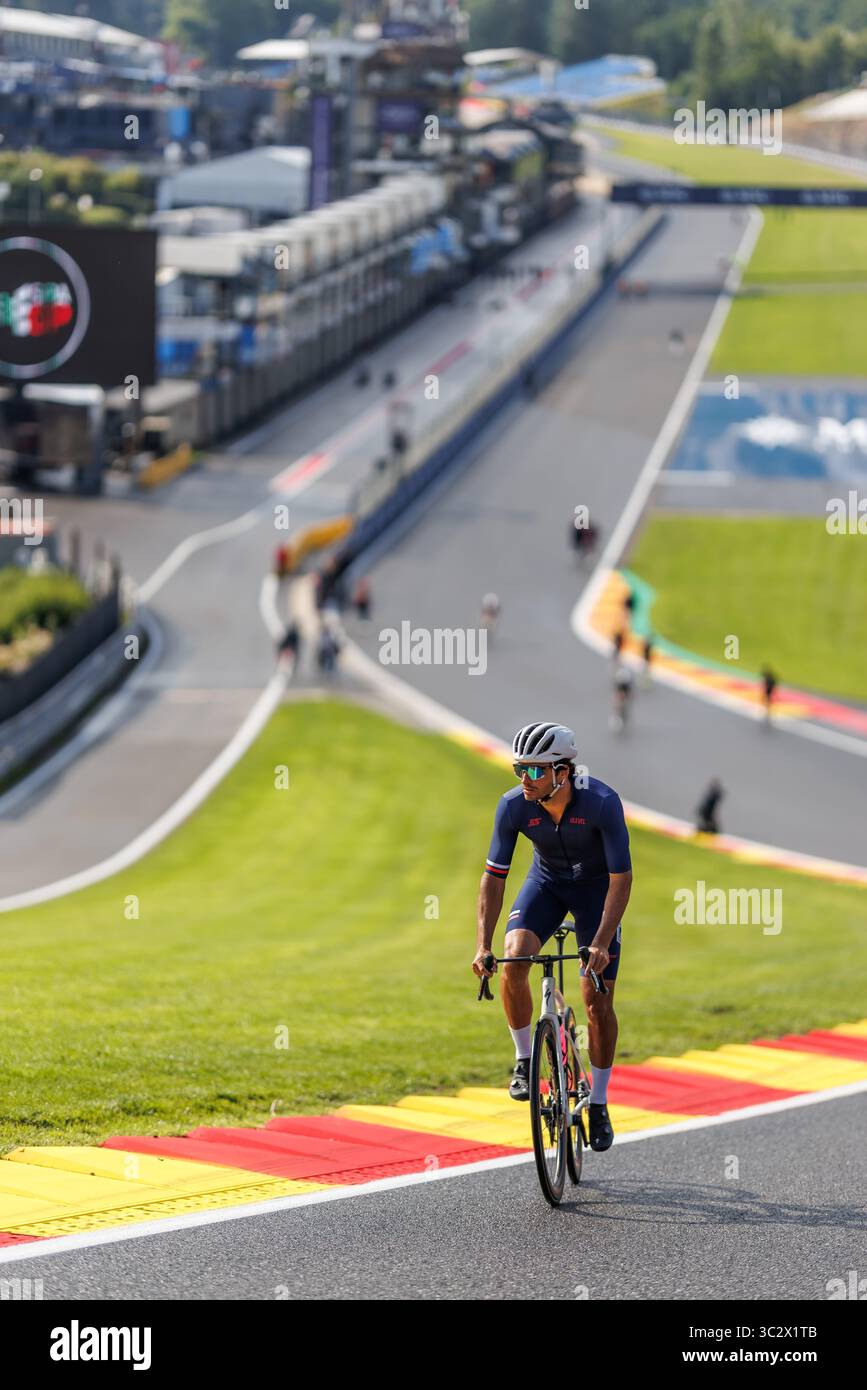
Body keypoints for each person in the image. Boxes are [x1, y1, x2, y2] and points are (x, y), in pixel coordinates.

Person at [473, 723, 632, 1153]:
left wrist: (600, 941)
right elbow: (493, 878)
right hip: (546, 884)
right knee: (515, 955)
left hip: (596, 891)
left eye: (534, 770)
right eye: (518, 768)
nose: (524, 778)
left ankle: (597, 1102)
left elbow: (621, 880)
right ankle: (525, 1058)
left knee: (596, 999)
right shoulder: (513, 807)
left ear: (562, 771)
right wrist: (483, 945)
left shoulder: (601, 802)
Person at [611, 664, 634, 732]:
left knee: (626, 701)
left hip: (627, 688)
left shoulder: (628, 681)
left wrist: (628, 696)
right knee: (618, 701)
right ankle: (616, 715)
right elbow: (617, 693)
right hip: (621, 687)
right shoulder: (618, 680)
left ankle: (624, 715)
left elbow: (630, 692)